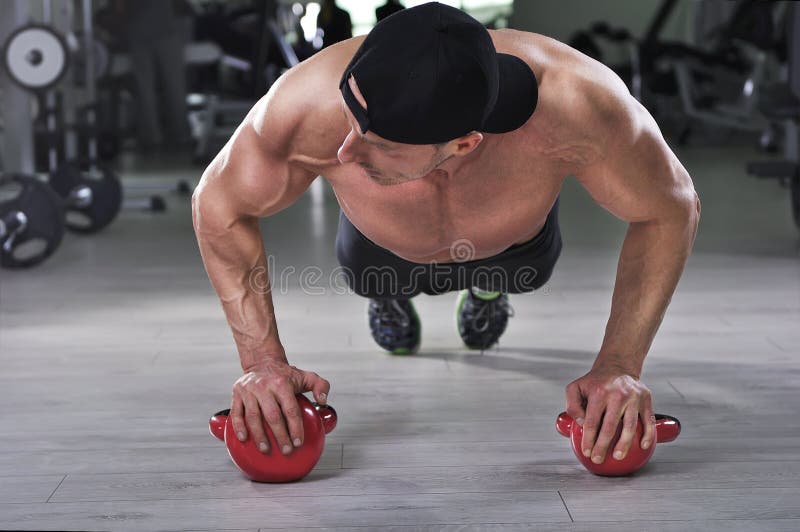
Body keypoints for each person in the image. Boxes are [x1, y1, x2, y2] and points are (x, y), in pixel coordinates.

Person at [193, 3, 700, 468]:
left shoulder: (579, 105)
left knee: (518, 273)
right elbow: (217, 205)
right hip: (381, 247)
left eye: (379, 143)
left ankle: (487, 290)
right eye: (352, 121)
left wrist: (619, 366)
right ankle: (390, 298)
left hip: (512, 247)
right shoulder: (302, 105)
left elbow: (671, 208)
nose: (344, 153)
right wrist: (262, 363)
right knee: (373, 276)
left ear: (464, 143)